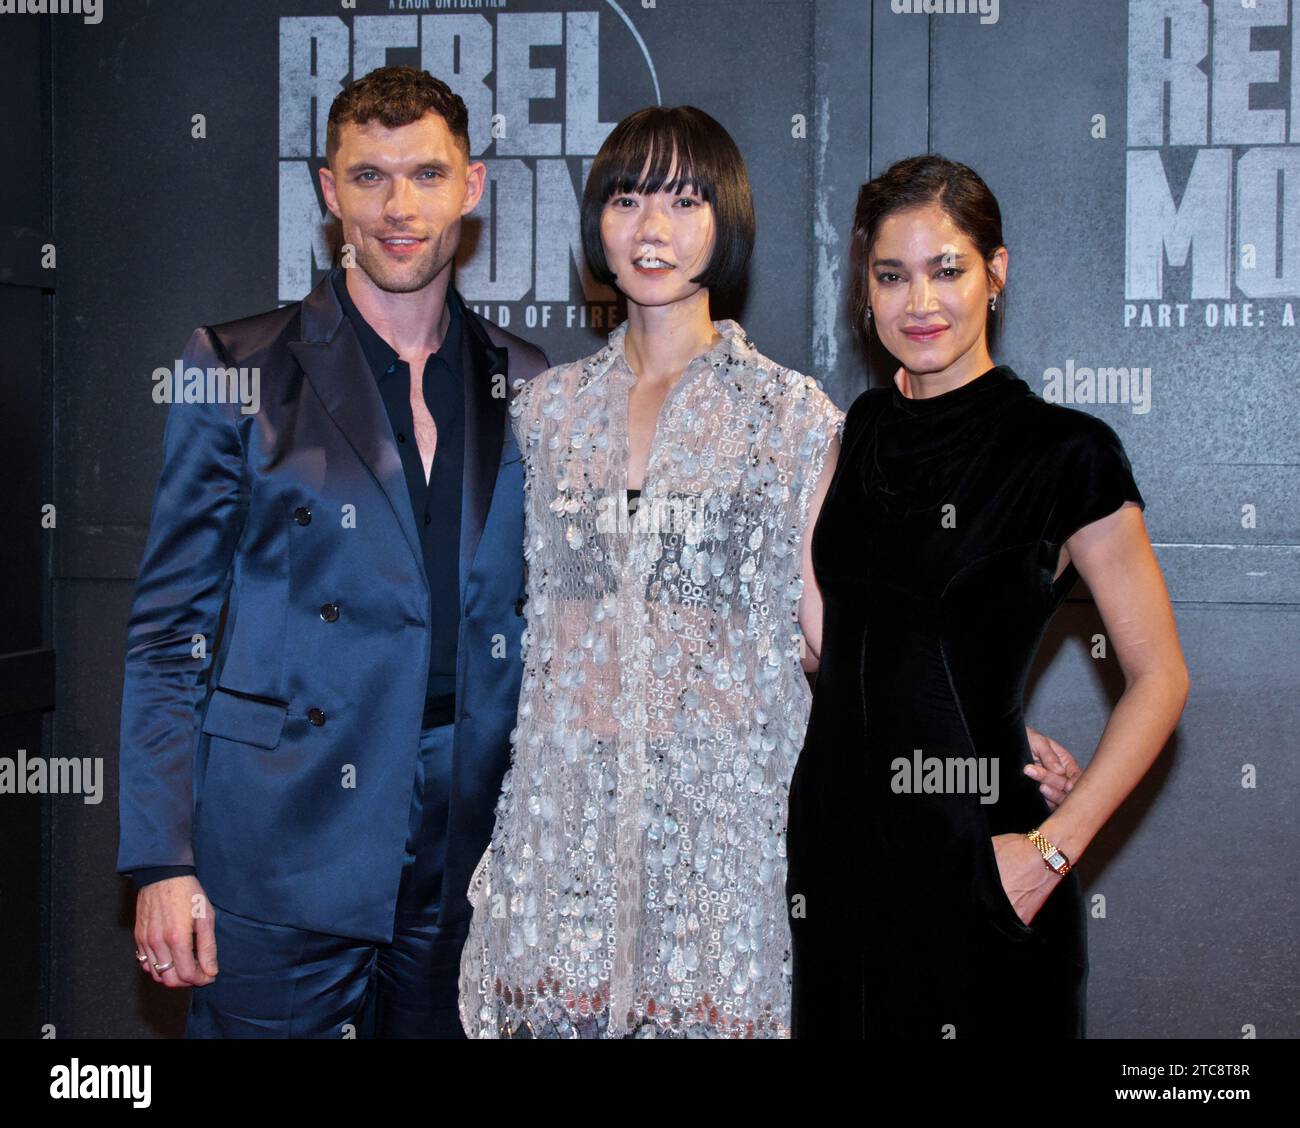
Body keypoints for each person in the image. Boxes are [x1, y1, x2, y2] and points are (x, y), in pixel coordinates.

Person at [457, 111, 1081, 1039]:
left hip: (725, 846)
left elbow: (840, 637)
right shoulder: (545, 414)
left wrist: (984, 737)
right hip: (565, 841)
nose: (652, 229)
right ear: (596, 224)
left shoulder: (790, 421)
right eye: (627, 200)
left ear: (729, 220)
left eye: (684, 199)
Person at [117, 66, 548, 1037]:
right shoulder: (237, 368)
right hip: (278, 836)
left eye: (426, 176)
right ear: (327, 191)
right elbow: (166, 637)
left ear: (470, 189)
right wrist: (161, 860)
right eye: (369, 177)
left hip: (465, 852)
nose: (399, 208)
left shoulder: (526, 382)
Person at [785, 154, 1190, 1038]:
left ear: (996, 272)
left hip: (978, 857)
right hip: (837, 851)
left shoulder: (1065, 453)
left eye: (948, 270)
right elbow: (826, 640)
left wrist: (1051, 850)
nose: (918, 302)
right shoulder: (856, 432)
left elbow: (1161, 679)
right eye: (892, 276)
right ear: (865, 287)